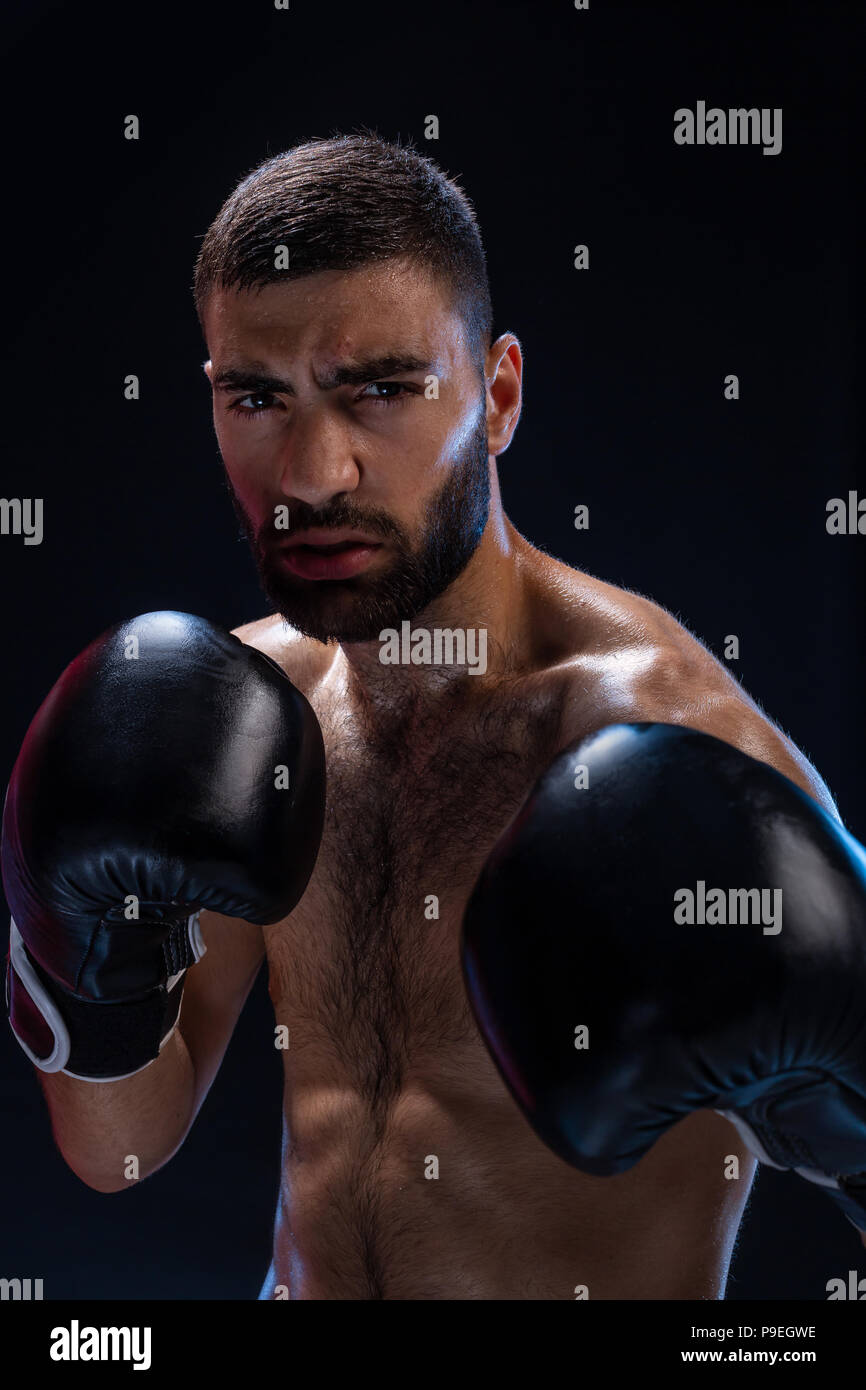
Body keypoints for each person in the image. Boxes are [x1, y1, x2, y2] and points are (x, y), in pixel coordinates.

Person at [5, 133, 866, 1301]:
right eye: (256, 396)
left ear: (497, 395)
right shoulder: (244, 723)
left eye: (381, 389)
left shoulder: (671, 738)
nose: (313, 471)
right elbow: (119, 1148)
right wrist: (71, 957)